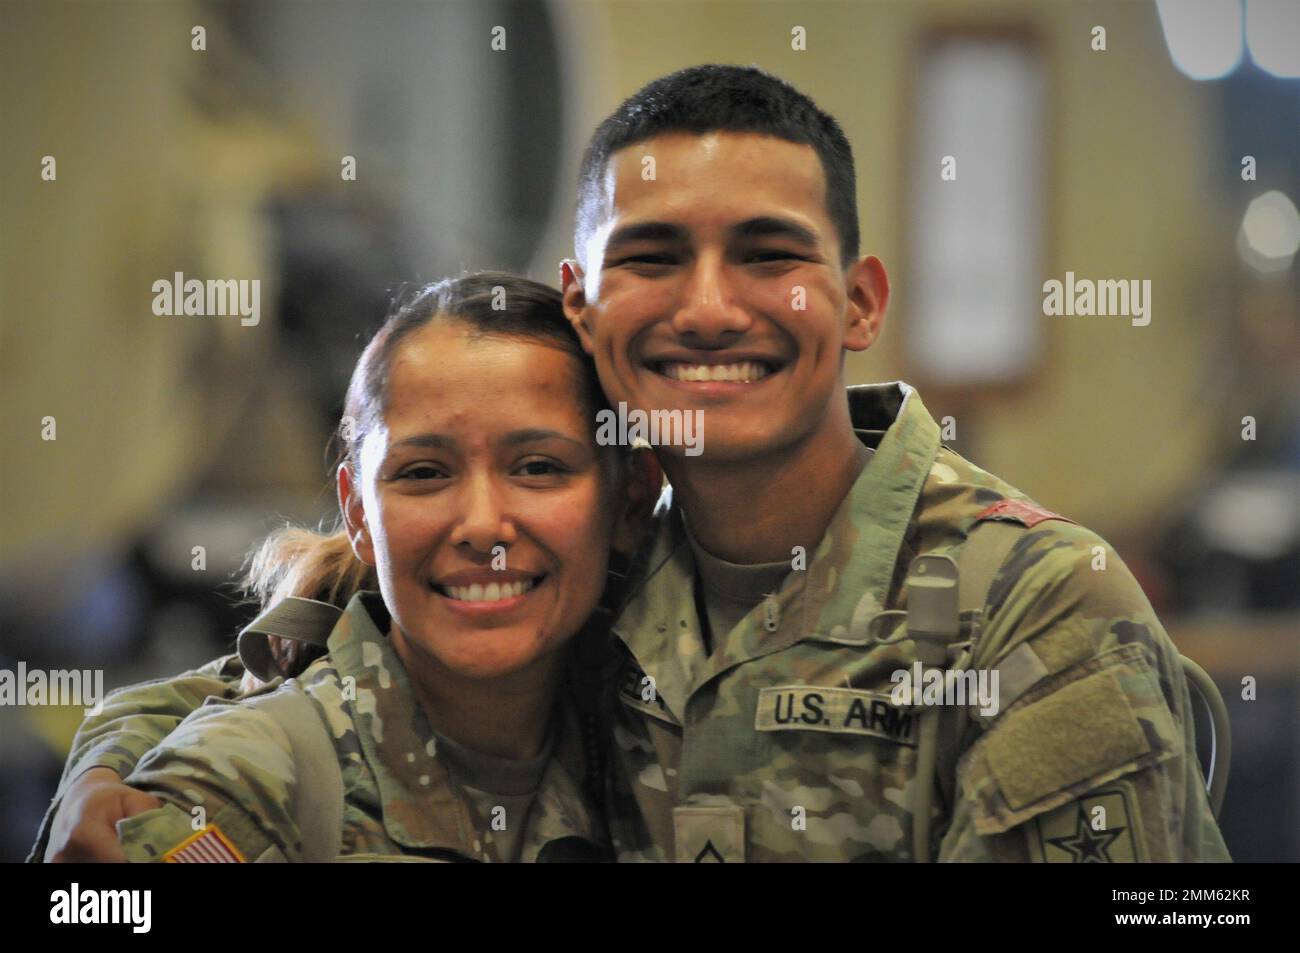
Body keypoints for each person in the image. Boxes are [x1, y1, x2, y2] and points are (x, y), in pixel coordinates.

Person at [36, 65, 1229, 863]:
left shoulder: (1030, 609)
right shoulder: (603, 562)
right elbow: (303, 679)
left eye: (768, 253)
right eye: (653, 255)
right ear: (585, 302)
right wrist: (108, 764)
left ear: (859, 300)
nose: (709, 309)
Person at [37, 272, 654, 862]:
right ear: (357, 513)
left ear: (628, 499)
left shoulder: (648, 744)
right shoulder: (245, 784)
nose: (483, 527)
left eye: (538, 467)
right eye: (424, 474)